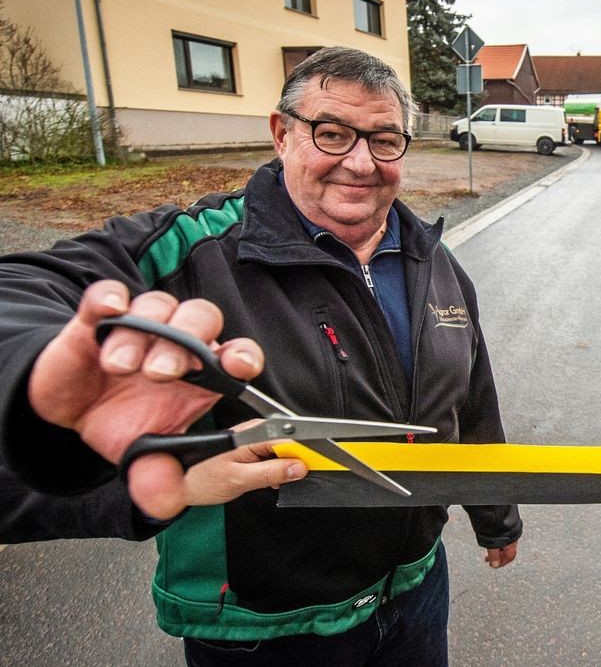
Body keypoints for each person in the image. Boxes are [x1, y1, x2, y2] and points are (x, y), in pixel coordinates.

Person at [0, 47, 521, 665]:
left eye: (384, 141)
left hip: (413, 590)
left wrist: (496, 515)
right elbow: (21, 290)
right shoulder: (196, 250)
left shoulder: (435, 261)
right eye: (332, 134)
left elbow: (470, 395)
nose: (360, 163)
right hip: (263, 630)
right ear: (281, 134)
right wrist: (41, 376)